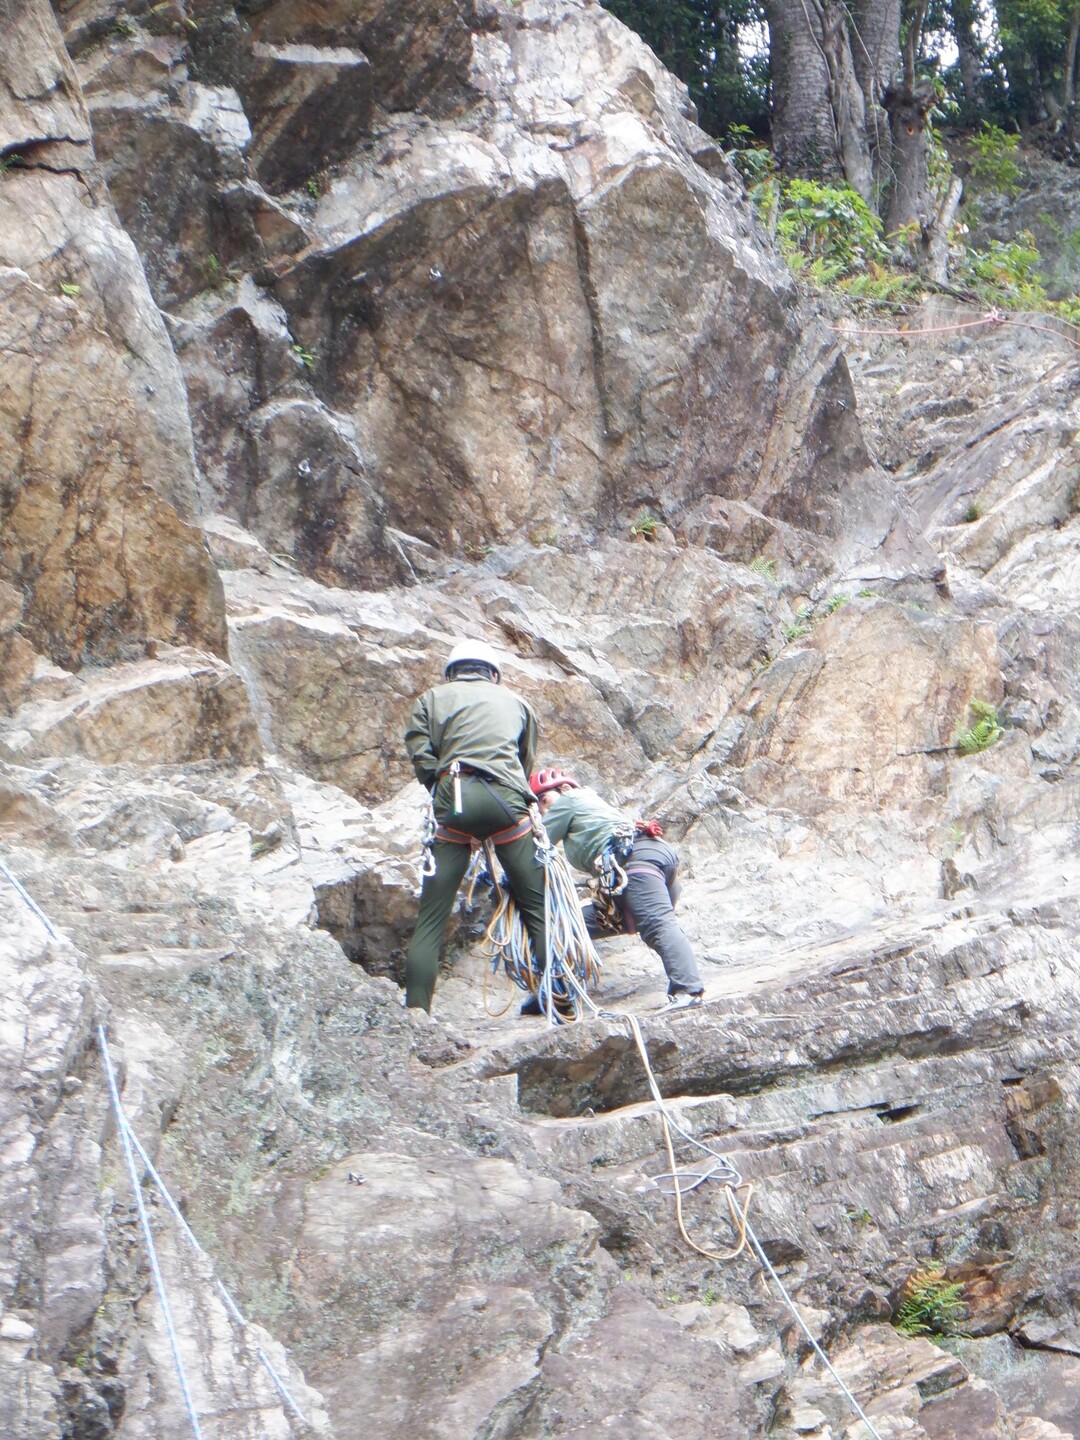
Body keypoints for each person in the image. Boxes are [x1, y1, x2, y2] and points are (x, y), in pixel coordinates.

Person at [403, 639, 547, 1012]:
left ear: (452, 672)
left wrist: (439, 787)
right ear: (493, 674)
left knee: (431, 919)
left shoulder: (431, 699)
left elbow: (421, 753)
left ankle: (417, 1015)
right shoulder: (518, 703)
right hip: (507, 803)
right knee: (537, 908)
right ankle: (560, 1000)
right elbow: (524, 762)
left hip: (455, 800)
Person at [529, 768, 705, 1009]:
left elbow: (537, 844)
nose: (543, 811)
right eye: (539, 808)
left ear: (565, 789)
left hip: (636, 861)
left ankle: (688, 989)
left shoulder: (571, 799)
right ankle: (555, 993)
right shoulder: (587, 813)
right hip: (640, 867)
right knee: (569, 926)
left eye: (544, 801)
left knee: (656, 924)